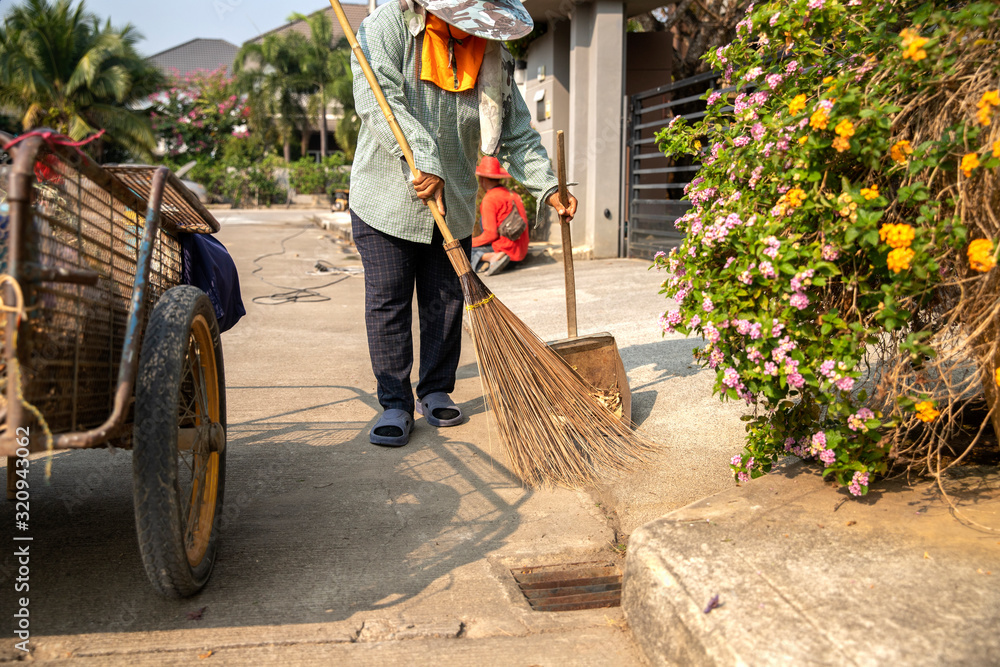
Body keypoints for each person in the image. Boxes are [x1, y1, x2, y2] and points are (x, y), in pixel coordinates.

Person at [349, 0, 578, 447]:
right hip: (386, 198)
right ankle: (395, 401)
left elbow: (515, 134)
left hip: (451, 202)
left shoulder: (493, 54)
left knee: (445, 301)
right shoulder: (389, 26)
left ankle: (434, 390)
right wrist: (421, 156)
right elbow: (379, 100)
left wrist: (550, 188)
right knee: (389, 302)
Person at [471, 156, 529, 276]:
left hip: (505, 251)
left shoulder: (490, 198)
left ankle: (491, 257)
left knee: (462, 251)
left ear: (482, 180)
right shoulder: (513, 194)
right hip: (520, 254)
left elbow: (490, 234)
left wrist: (468, 242)